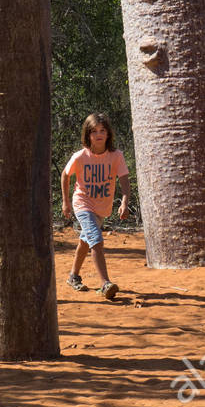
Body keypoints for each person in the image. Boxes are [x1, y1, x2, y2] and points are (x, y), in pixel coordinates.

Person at [61, 113, 131, 299]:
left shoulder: (116, 156)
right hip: (82, 203)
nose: (98, 134)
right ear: (88, 134)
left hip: (102, 207)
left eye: (102, 130)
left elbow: (124, 180)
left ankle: (73, 276)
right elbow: (65, 175)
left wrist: (124, 202)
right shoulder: (80, 156)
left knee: (86, 240)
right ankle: (105, 283)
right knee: (96, 239)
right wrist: (66, 202)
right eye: (94, 131)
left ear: (108, 134)